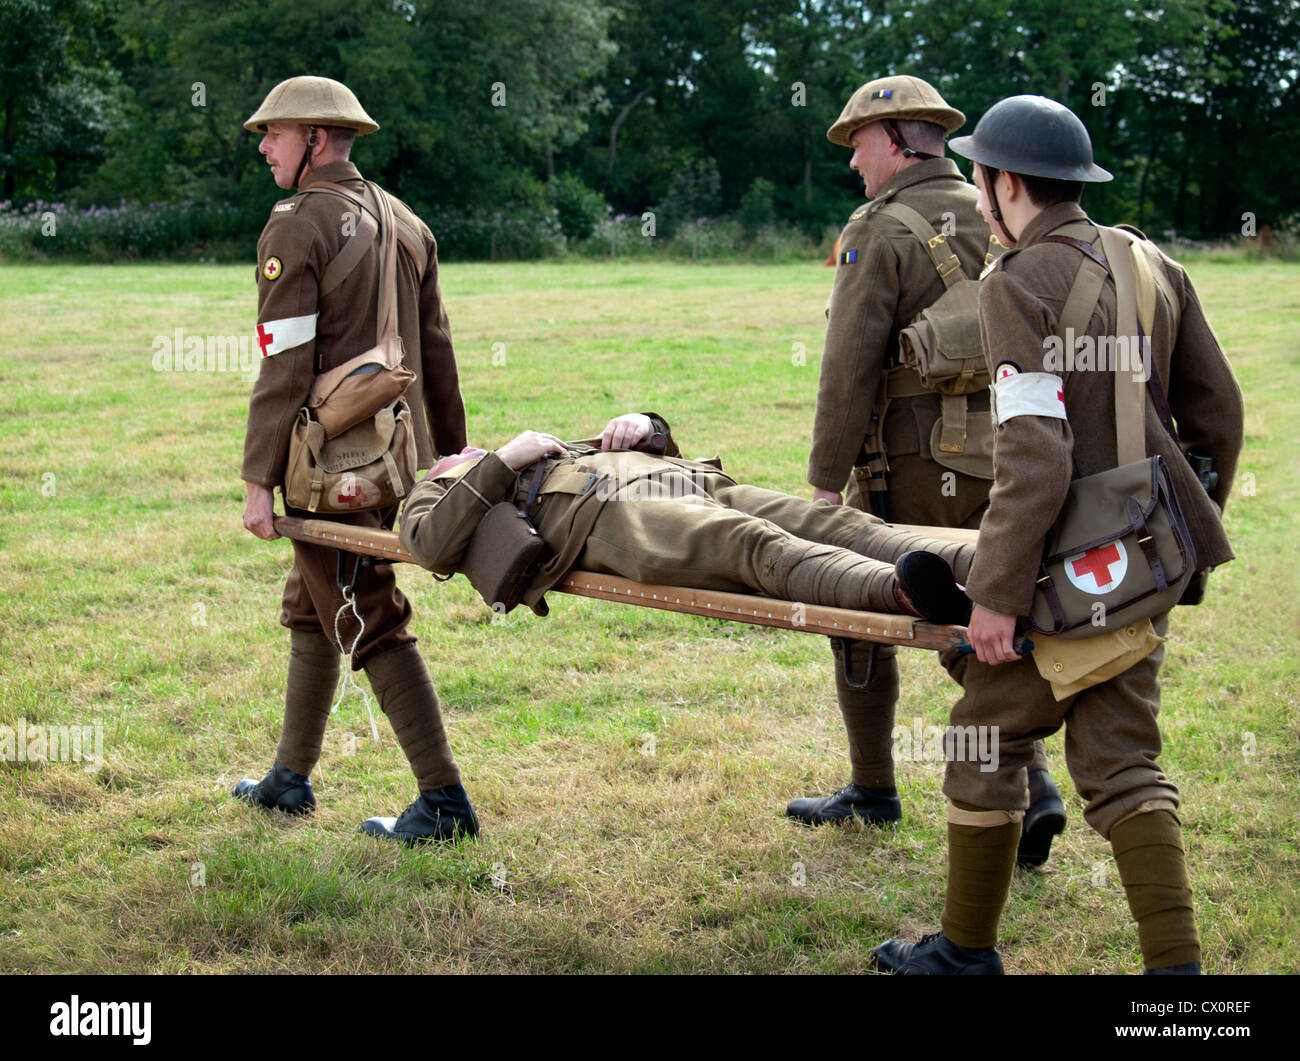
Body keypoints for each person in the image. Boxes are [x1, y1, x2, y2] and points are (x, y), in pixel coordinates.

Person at [871, 96, 1244, 974]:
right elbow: (1218, 416)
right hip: (1145, 563)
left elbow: (1034, 458)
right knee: (1122, 762)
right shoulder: (1152, 263)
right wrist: (1177, 527)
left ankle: (965, 953)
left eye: (984, 184)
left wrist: (995, 601)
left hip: (1062, 578)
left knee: (981, 738)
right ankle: (1179, 985)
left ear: (1003, 185)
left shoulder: (1013, 284)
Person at [798, 75, 1063, 864]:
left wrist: (823, 480)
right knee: (992, 612)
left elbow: (848, 364)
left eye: (858, 146)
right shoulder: (1003, 212)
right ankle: (1036, 783)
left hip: (911, 460)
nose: (853, 165)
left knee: (872, 605)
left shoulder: (877, 228)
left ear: (894, 139)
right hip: (1009, 454)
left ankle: (876, 789)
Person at [234, 76, 477, 845]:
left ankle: (443, 801)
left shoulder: (297, 224)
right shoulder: (407, 221)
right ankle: (290, 779)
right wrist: (450, 457)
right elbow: (438, 357)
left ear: (314, 138)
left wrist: (255, 481)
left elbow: (285, 366)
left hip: (325, 472)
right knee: (314, 604)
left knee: (368, 616)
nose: (263, 144)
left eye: (273, 132)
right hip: (398, 463)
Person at [398, 413, 978, 627]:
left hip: (686, 481)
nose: (462, 449)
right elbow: (428, 546)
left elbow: (660, 443)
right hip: (612, 519)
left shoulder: (533, 447)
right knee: (753, 546)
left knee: (837, 523)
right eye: (452, 455)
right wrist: (498, 461)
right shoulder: (437, 490)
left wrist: (644, 425)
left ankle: (986, 565)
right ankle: (904, 592)